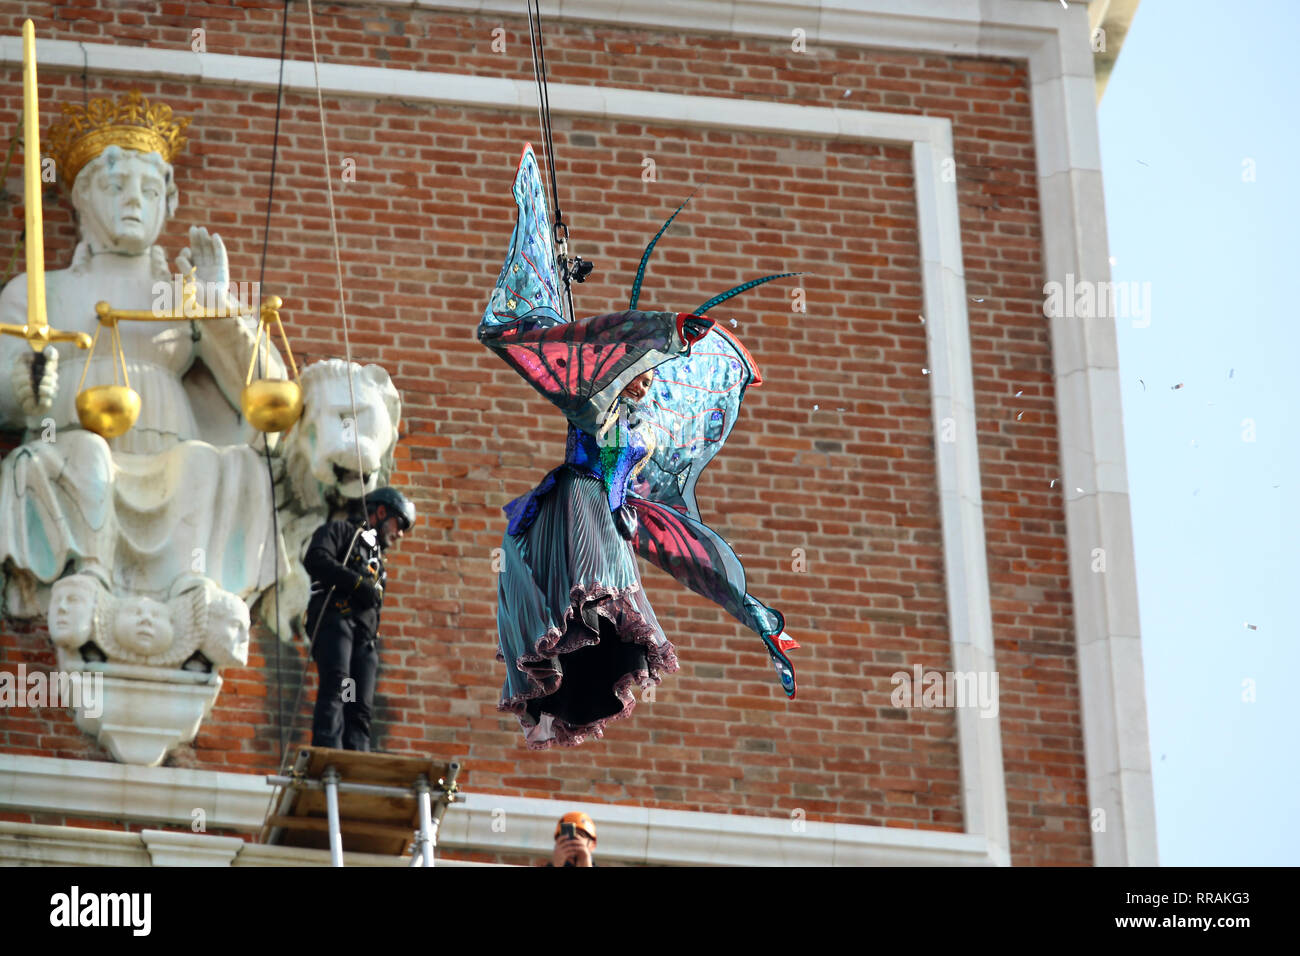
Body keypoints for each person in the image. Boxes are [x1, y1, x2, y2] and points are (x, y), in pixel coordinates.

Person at [303, 486, 415, 751]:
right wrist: (355, 584)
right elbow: (316, 558)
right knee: (339, 687)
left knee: (359, 703)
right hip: (336, 622)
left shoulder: (377, 561)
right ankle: (329, 750)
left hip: (363, 640)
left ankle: (356, 754)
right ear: (380, 512)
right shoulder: (342, 533)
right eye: (398, 524)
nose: (399, 534)